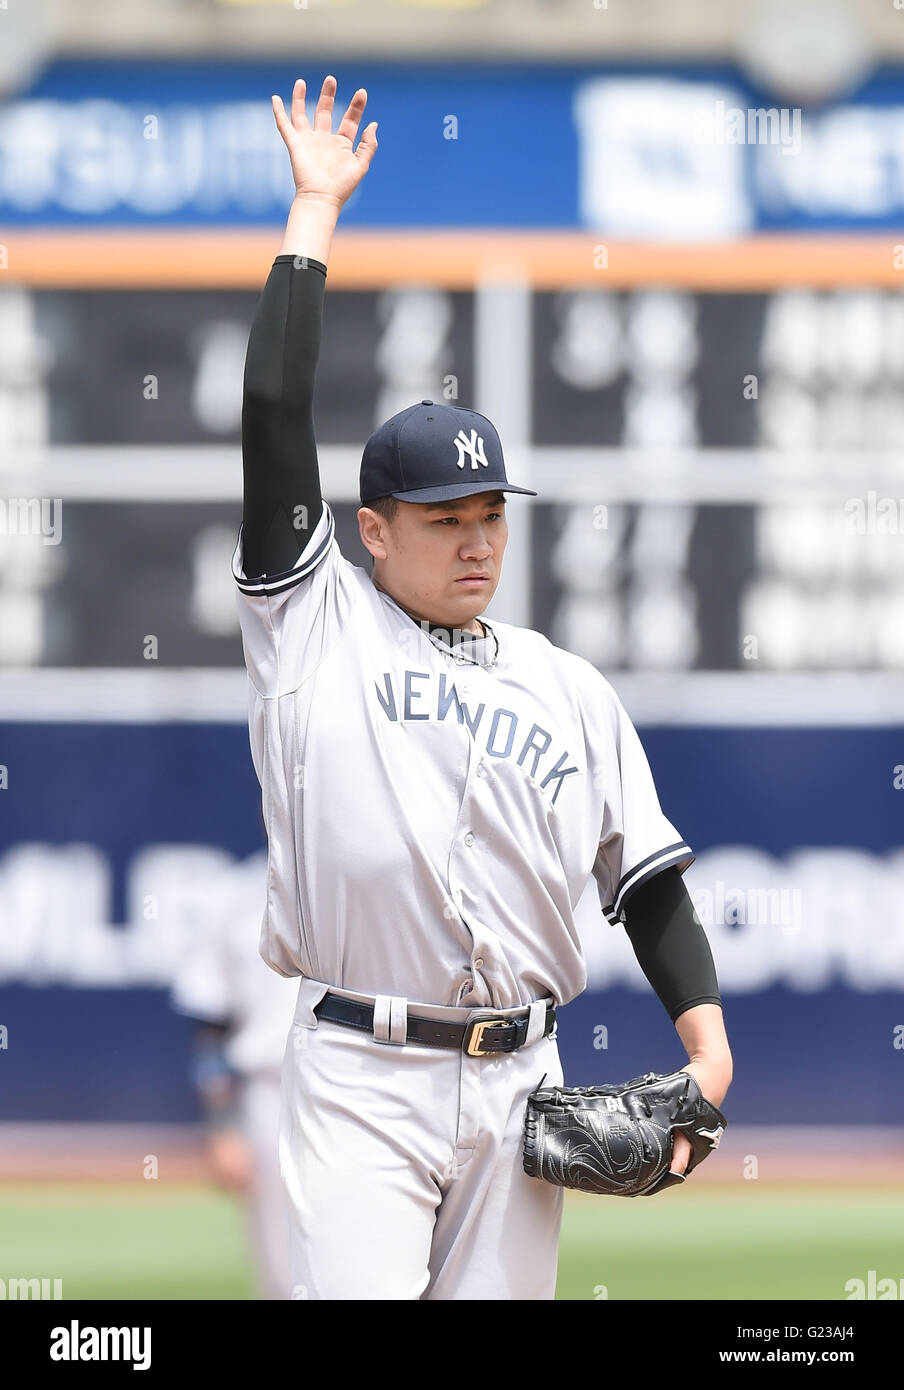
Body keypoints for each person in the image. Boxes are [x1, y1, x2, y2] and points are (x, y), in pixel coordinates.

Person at [232, 74, 732, 1300]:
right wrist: (313, 210)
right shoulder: (315, 624)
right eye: (443, 516)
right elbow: (270, 409)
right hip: (360, 1075)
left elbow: (650, 886)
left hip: (522, 1086)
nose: (474, 540)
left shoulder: (567, 686)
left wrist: (708, 1061)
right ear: (372, 530)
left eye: (490, 516)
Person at [171, 851, 296, 1300]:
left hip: (370, 1089)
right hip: (271, 1093)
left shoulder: (371, 879)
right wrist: (223, 1127)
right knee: (283, 1274)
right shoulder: (237, 894)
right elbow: (211, 1021)